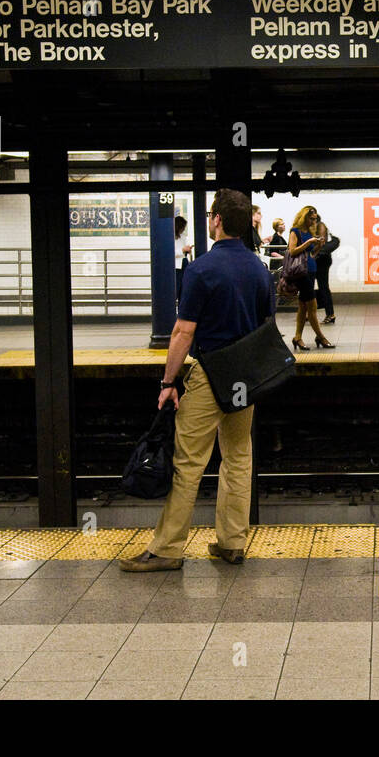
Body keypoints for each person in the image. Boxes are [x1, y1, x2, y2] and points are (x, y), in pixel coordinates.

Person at [121, 189, 274, 572]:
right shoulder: (258, 269)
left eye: (210, 214)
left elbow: (182, 333)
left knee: (188, 462)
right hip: (245, 376)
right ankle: (232, 543)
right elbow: (265, 327)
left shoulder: (201, 269)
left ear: (218, 220)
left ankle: (168, 549)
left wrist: (168, 382)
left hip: (209, 374)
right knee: (238, 457)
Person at [288, 205, 334, 350]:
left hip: (311, 269)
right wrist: (308, 242)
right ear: (304, 217)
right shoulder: (295, 231)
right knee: (312, 306)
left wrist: (319, 246)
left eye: (315, 219)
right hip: (301, 273)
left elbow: (311, 254)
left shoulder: (309, 231)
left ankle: (297, 338)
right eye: (311, 218)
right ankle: (320, 337)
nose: (313, 222)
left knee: (303, 306)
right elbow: (292, 251)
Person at [314, 214, 338, 324]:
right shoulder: (318, 226)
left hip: (321, 261)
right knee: (317, 287)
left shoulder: (320, 226)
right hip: (320, 260)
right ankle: (328, 313)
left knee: (323, 287)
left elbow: (321, 242)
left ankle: (330, 313)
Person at [174, 215, 191, 304]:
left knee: (184, 290)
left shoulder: (183, 236)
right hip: (176, 266)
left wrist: (187, 250)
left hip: (183, 263)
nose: (184, 229)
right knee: (175, 290)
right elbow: (169, 253)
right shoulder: (170, 237)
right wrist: (182, 250)